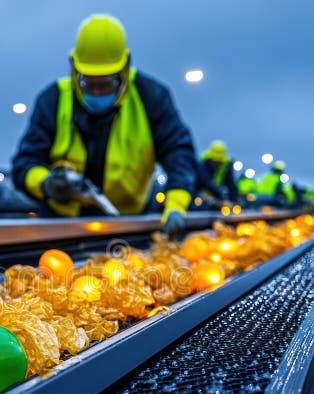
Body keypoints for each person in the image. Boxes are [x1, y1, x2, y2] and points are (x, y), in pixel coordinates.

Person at [11, 14, 199, 238]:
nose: (97, 92)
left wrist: (176, 205)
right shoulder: (53, 100)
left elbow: (179, 153)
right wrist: (46, 184)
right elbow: (25, 163)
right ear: (74, 70)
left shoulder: (151, 97)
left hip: (127, 225)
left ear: (125, 70)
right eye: (88, 83)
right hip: (61, 226)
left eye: (108, 83)